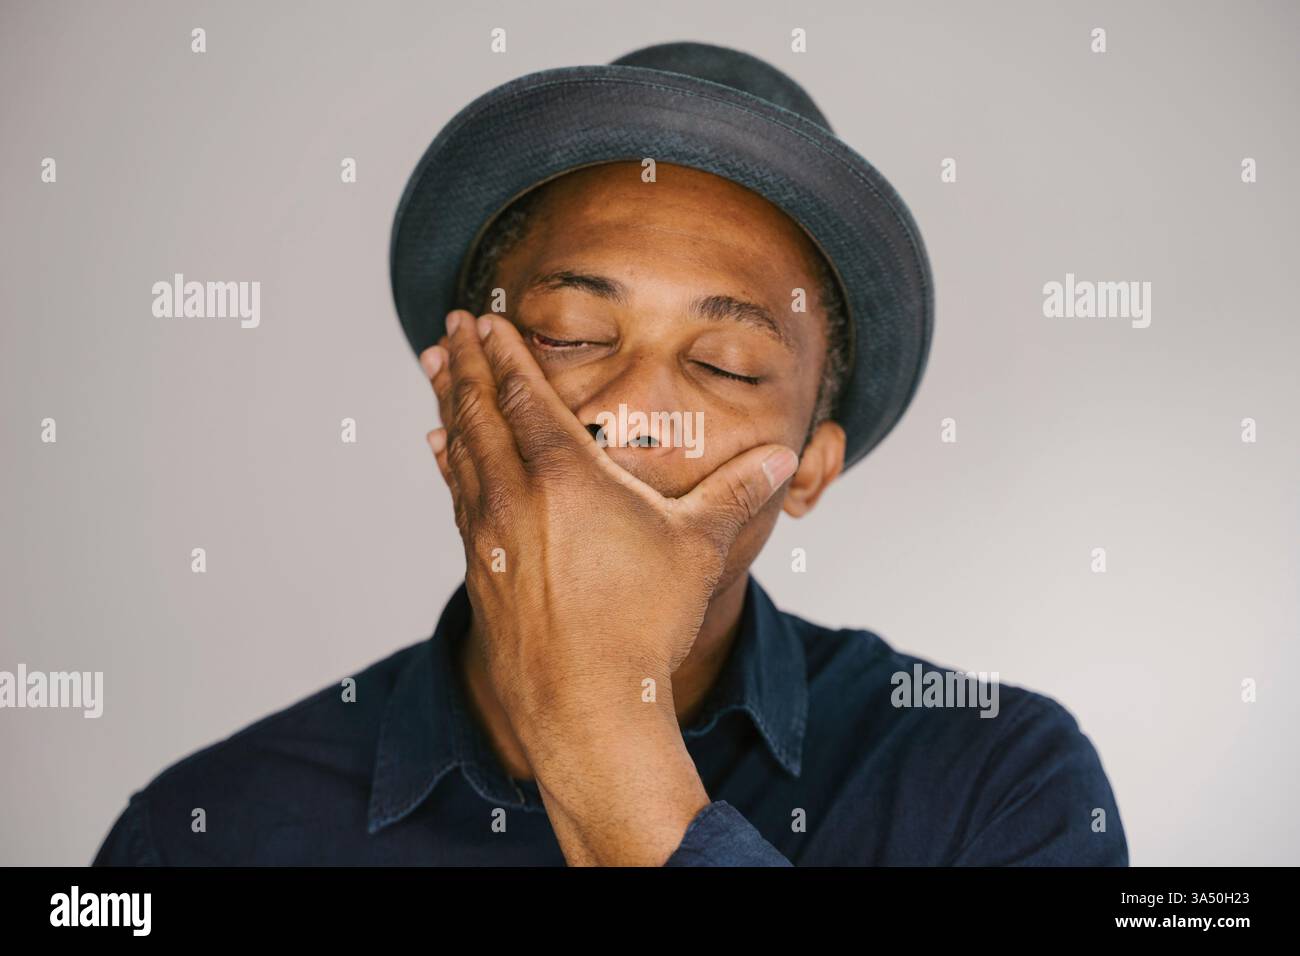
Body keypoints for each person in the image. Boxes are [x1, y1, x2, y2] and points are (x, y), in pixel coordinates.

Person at [92, 41, 1126, 867]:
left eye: (724, 362)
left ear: (809, 465)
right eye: (573, 337)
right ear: (463, 390)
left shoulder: (996, 783)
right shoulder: (201, 834)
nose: (636, 411)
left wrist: (598, 728)